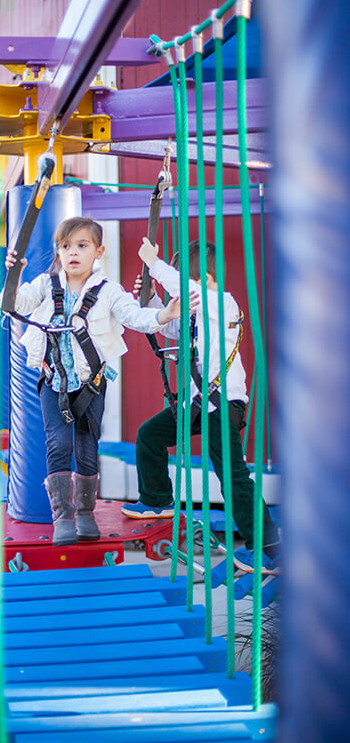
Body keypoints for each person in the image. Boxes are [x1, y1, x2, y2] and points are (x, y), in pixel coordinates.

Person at [3, 217, 187, 546]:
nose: (73, 253)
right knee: (57, 445)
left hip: (90, 385)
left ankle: (85, 512)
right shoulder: (46, 285)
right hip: (53, 381)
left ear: (98, 251)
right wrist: (14, 275)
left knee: (87, 449)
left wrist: (164, 315)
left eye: (82, 246)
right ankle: (63, 516)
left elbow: (135, 316)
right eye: (66, 247)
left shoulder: (109, 292)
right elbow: (13, 304)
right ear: (58, 252)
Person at [121, 237, 280, 573]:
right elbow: (173, 328)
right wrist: (149, 296)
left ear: (204, 279)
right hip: (199, 403)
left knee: (233, 477)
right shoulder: (199, 313)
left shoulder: (221, 302)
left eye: (184, 280)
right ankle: (157, 499)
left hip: (222, 403)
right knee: (149, 435)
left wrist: (154, 263)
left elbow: (187, 293)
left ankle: (269, 546)